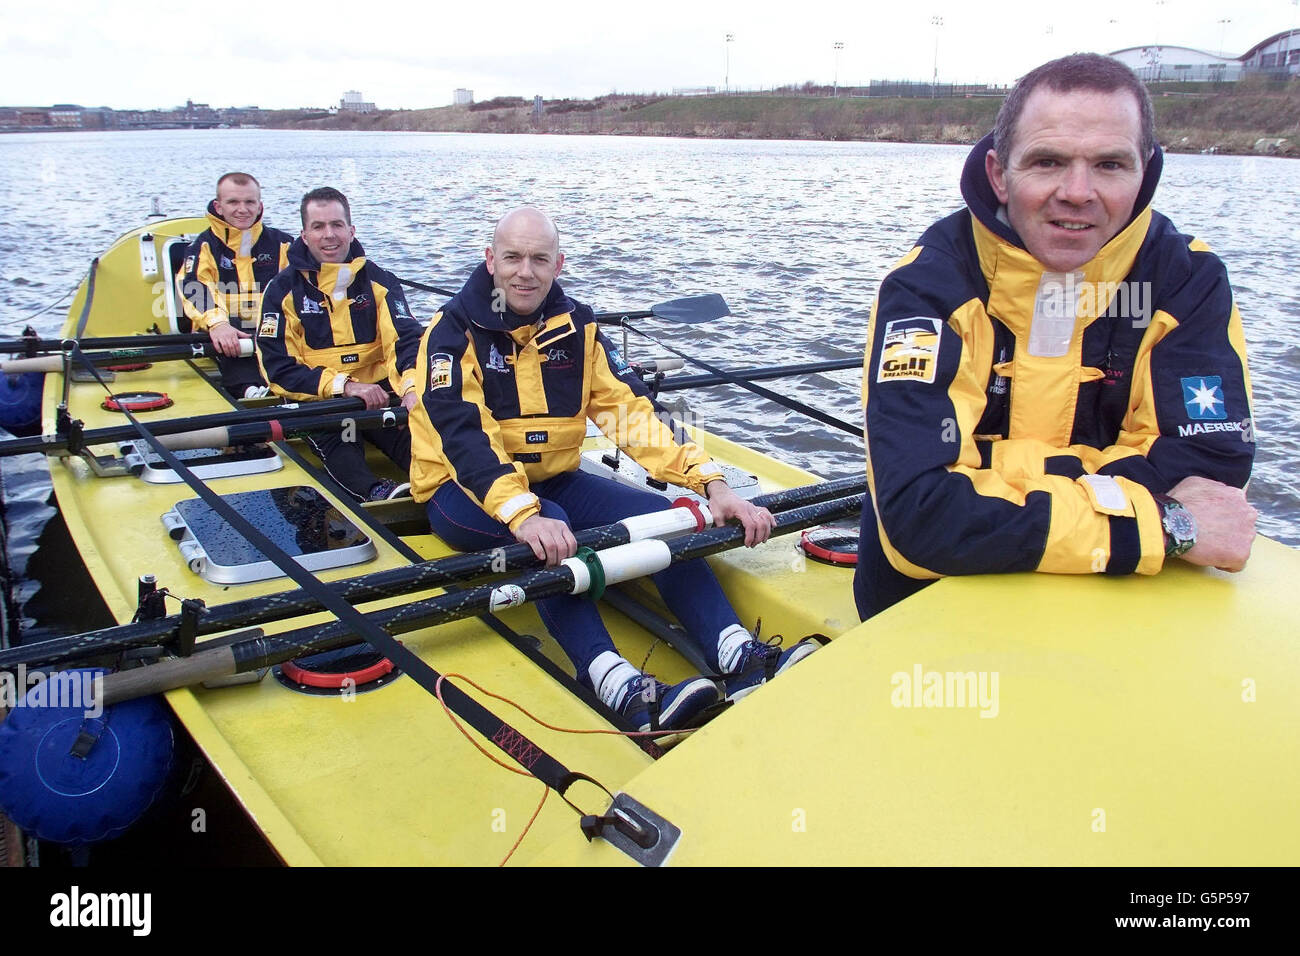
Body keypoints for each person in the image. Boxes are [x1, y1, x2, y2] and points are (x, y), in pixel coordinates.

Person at [855, 53, 1258, 621]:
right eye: (1047, 162)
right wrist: (1166, 520)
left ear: (1145, 170)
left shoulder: (1187, 278)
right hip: (931, 607)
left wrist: (982, 478)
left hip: (1118, 602)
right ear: (999, 172)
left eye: (1110, 165)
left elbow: (1212, 469)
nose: (1076, 191)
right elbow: (920, 519)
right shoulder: (925, 287)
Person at [406, 207, 820, 731]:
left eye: (539, 259)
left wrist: (711, 484)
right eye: (512, 257)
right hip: (459, 492)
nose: (524, 272)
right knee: (549, 527)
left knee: (670, 516)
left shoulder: (579, 327)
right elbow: (462, 436)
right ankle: (613, 683)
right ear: (490, 260)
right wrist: (524, 514)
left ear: (559, 264)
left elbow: (633, 414)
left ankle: (738, 657)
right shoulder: (450, 331)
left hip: (551, 477)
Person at [257, 187, 424, 501]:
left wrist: (412, 389)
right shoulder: (281, 291)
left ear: (351, 230)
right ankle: (374, 492)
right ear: (304, 235)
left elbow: (406, 342)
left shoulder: (381, 281)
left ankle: (439, 485)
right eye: (318, 227)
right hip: (323, 401)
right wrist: (345, 386)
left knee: (419, 436)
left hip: (380, 397)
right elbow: (277, 369)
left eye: (336, 225)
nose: (329, 235)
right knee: (340, 440)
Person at [176, 172, 292, 399]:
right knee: (232, 335)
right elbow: (195, 286)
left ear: (260, 206)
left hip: (271, 328)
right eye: (233, 202)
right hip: (227, 331)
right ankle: (250, 391)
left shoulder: (284, 244)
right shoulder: (203, 247)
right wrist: (218, 323)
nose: (243, 209)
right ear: (219, 207)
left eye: (250, 202)